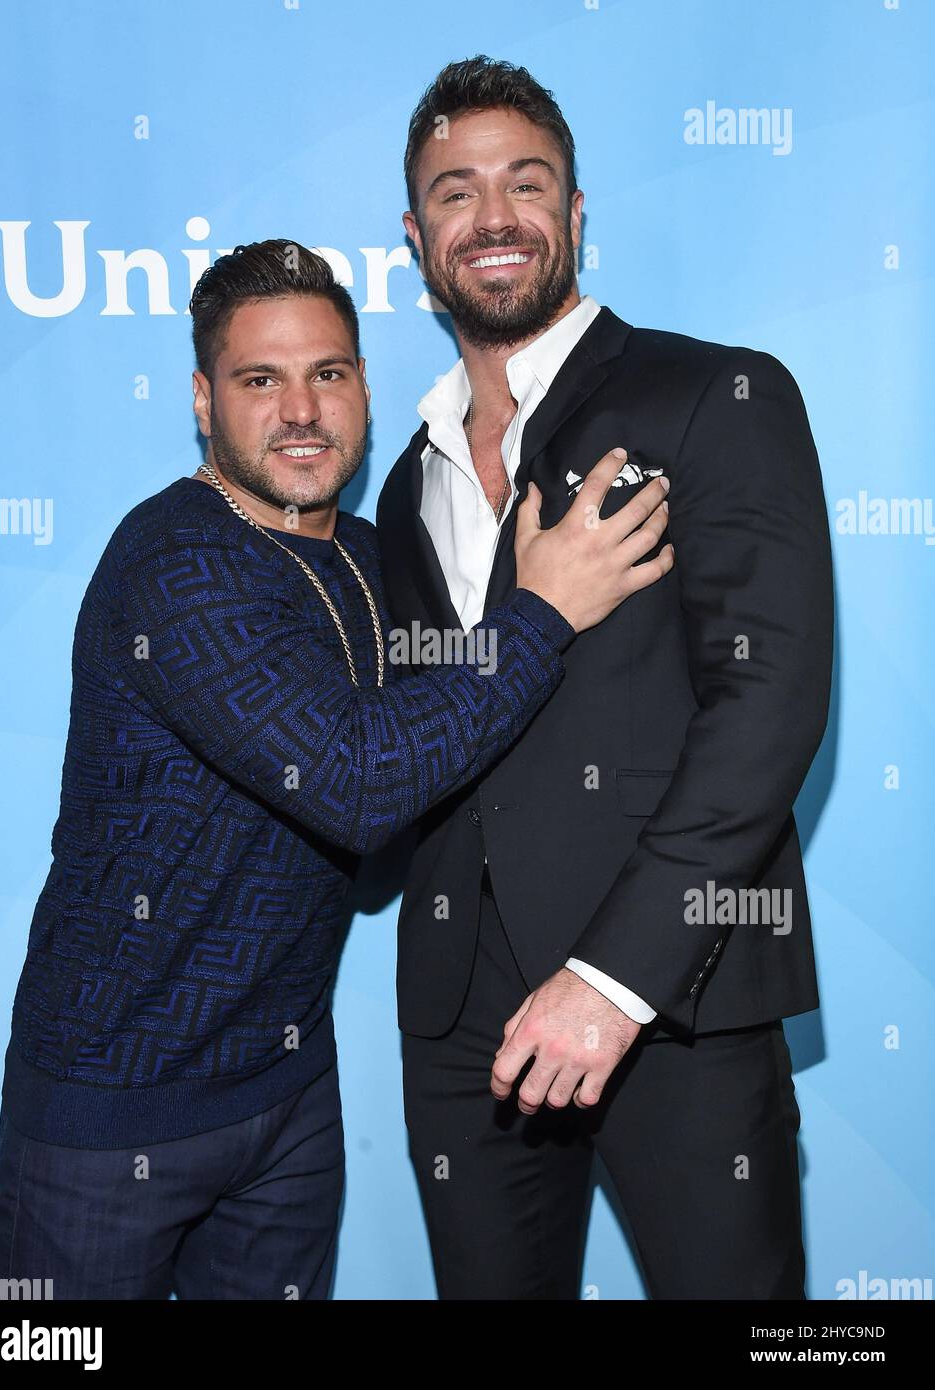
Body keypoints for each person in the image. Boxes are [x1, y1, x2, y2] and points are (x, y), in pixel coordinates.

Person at [0, 238, 672, 1300]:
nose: (300, 410)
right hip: (109, 1110)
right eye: (261, 380)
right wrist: (543, 611)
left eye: (328, 374)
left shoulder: (363, 550)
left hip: (288, 1097)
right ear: (204, 401)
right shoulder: (174, 561)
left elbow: (448, 726)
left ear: (361, 386)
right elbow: (356, 782)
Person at [376, 56, 834, 1300]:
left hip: (668, 997)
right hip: (460, 1017)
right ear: (417, 238)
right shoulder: (404, 479)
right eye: (457, 192)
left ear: (577, 215)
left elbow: (772, 700)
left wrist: (614, 978)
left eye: (529, 183)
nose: (497, 216)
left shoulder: (712, 394)